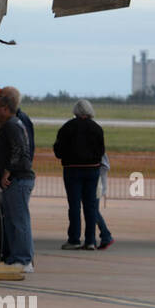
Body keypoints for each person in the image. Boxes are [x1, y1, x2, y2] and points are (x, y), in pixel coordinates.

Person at [53, 99, 110, 251]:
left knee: (74, 206)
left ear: (76, 111)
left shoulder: (67, 127)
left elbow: (58, 151)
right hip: (92, 170)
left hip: (72, 170)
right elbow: (101, 151)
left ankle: (74, 239)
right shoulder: (97, 128)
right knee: (91, 207)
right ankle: (91, 241)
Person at [0, 88, 35, 272]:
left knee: (19, 220)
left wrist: (8, 171)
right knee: (12, 220)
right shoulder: (9, 125)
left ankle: (23, 260)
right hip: (14, 181)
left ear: (6, 108)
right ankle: (15, 257)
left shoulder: (12, 125)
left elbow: (20, 149)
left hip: (18, 179)